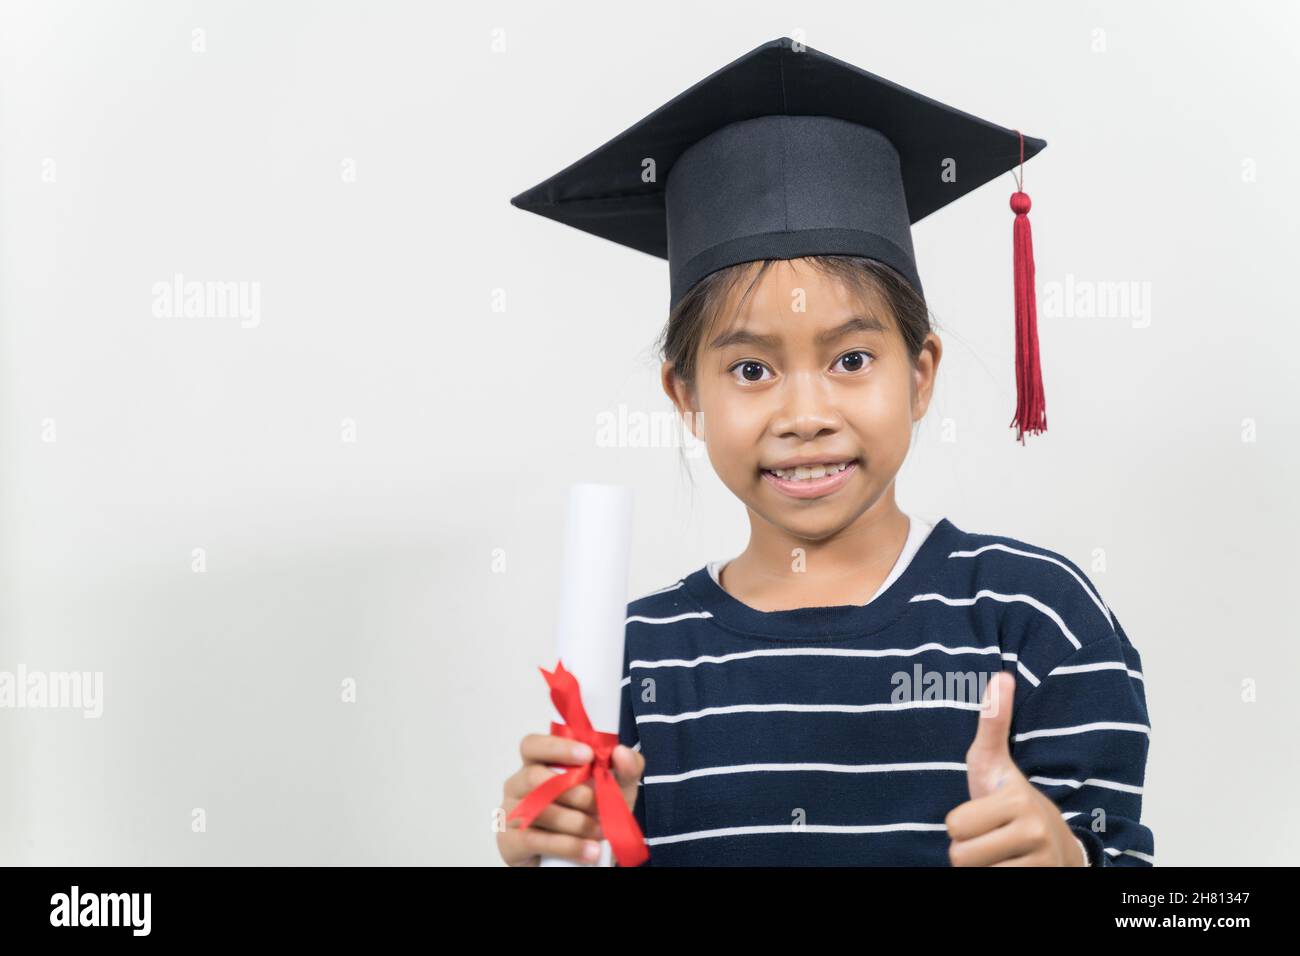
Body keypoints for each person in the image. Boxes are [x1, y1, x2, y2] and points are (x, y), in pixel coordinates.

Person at [496, 37, 1153, 867]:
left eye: (851, 360)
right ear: (686, 398)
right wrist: (561, 851)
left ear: (920, 377)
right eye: (750, 369)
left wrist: (1067, 861)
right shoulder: (632, 663)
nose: (805, 415)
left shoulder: (1033, 621)